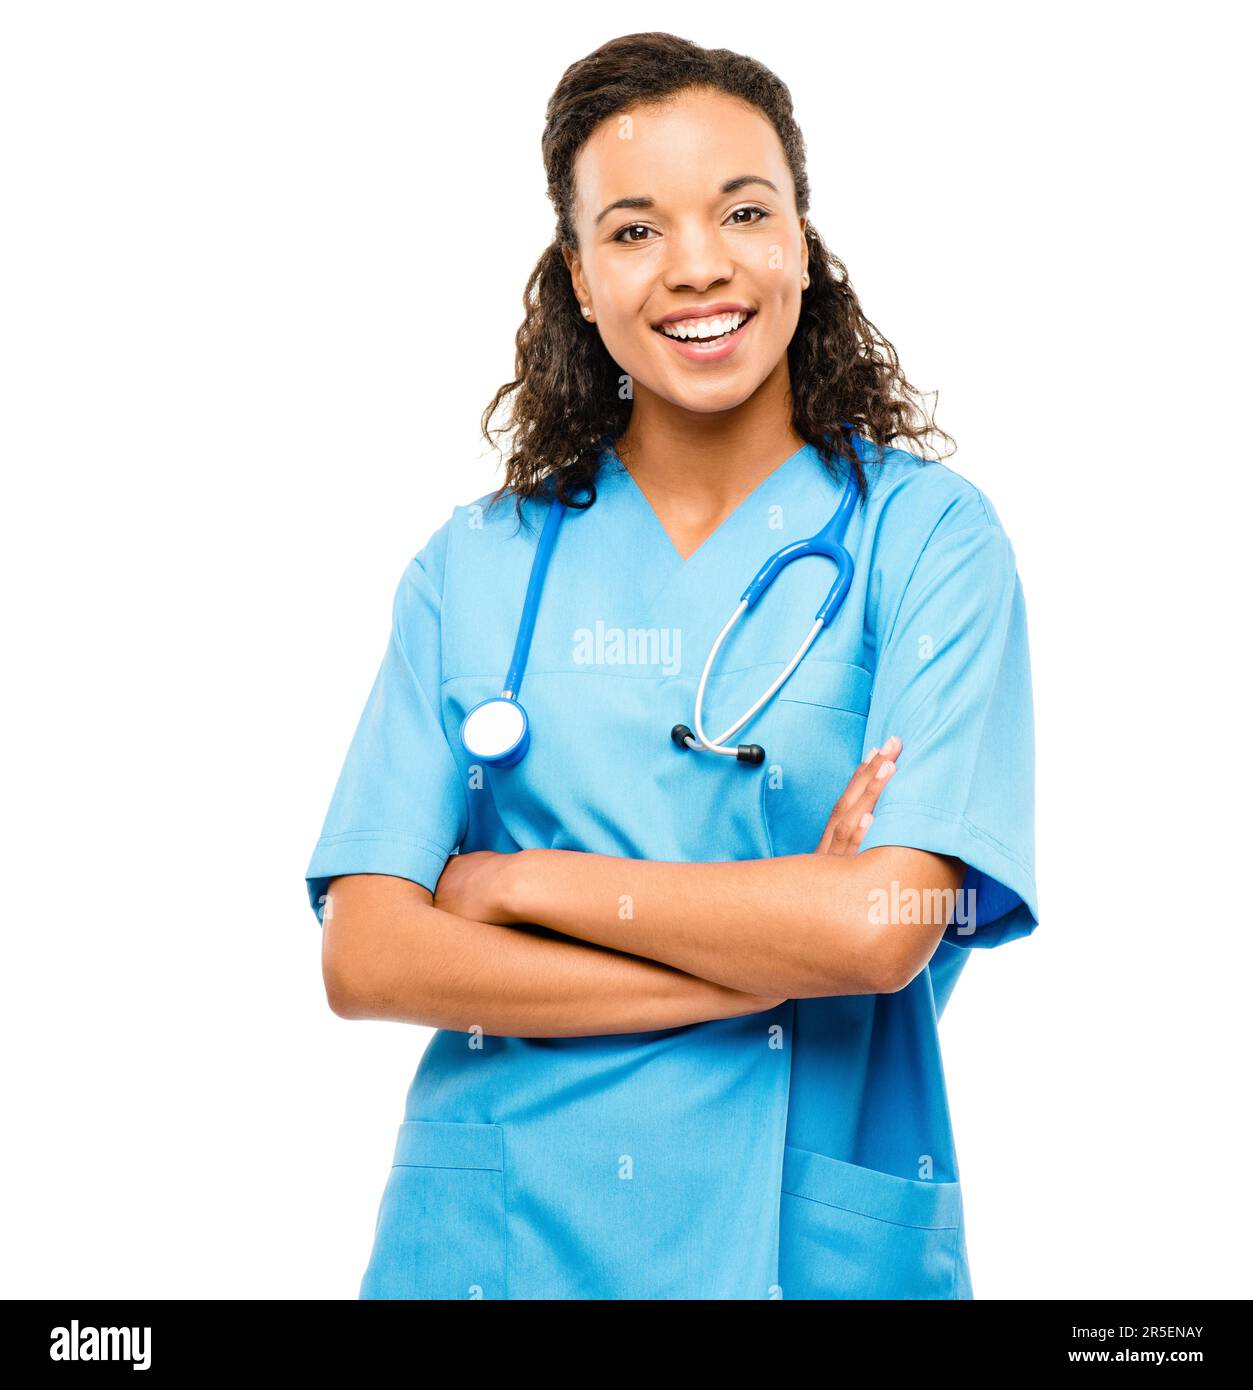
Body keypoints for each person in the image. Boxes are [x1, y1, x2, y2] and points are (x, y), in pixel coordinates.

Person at [304, 31, 1038, 1300]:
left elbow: (880, 928)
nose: (698, 265)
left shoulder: (923, 539)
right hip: (494, 1241)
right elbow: (369, 958)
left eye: (743, 211)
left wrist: (518, 882)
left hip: (803, 1242)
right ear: (577, 281)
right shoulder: (475, 566)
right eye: (634, 230)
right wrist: (771, 938)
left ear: (801, 241)